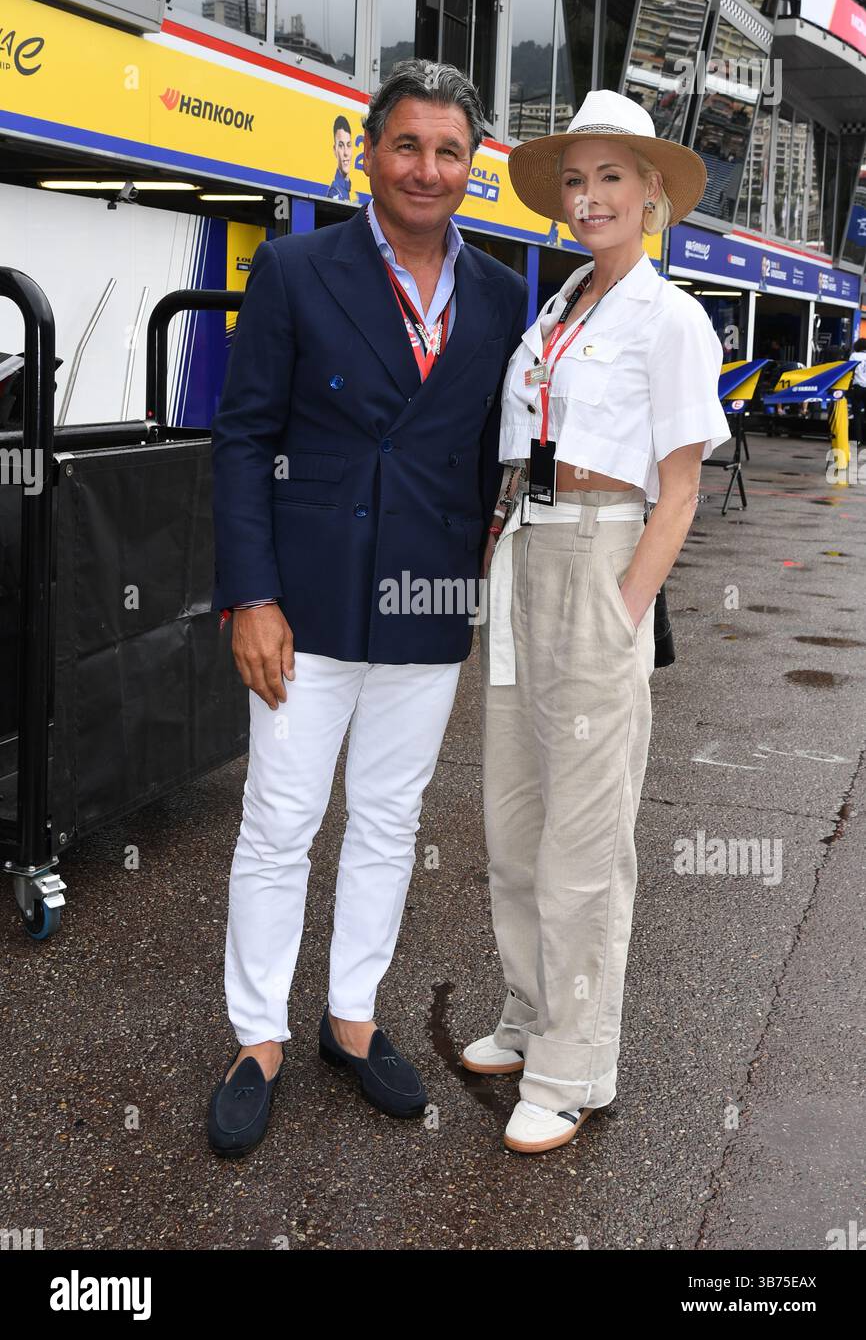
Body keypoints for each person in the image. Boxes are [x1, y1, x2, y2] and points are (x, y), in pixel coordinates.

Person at [207, 60, 527, 1157]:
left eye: (448, 151)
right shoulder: (296, 269)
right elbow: (244, 437)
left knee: (389, 821)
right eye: (407, 145)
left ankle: (351, 1017)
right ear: (367, 148)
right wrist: (249, 593)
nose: (426, 169)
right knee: (280, 824)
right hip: (304, 603)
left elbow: (499, 452)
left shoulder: (498, 291)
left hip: (426, 605)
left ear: (472, 165)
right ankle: (257, 1036)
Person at [460, 89, 733, 1154]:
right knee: (512, 812)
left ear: (652, 193)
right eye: (574, 180)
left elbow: (677, 492)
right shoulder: (558, 304)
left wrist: (624, 610)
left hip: (600, 553)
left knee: (582, 835)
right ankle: (529, 1015)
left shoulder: (668, 317)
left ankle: (575, 1067)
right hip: (525, 548)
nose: (586, 197)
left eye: (609, 177)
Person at [326, 114, 354, 201]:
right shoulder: (335, 191)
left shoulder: (348, 188)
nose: (346, 153)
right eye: (341, 145)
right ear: (335, 150)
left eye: (348, 145)